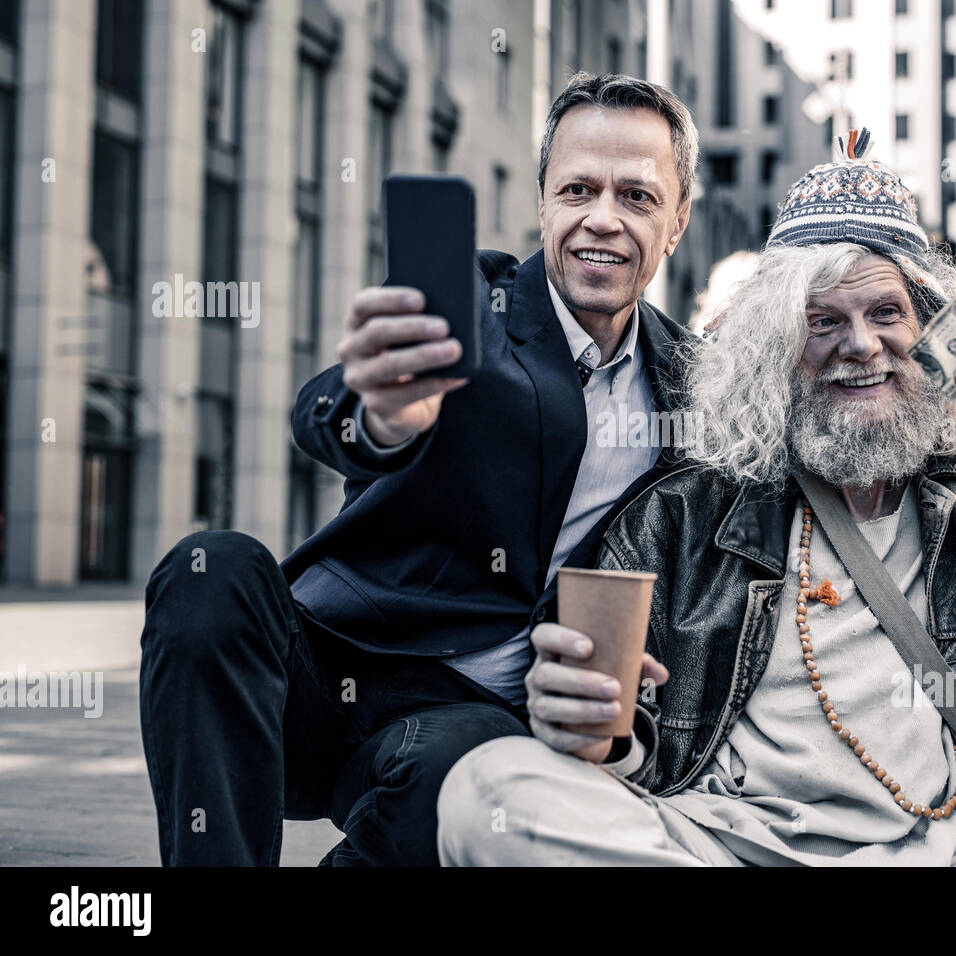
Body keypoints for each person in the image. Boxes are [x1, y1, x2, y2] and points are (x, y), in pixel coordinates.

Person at [438, 131, 956, 866]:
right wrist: (602, 734)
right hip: (734, 847)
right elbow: (630, 744)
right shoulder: (683, 513)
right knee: (490, 793)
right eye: (823, 321)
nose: (862, 347)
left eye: (886, 313)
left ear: (931, 332)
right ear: (775, 348)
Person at [138, 72, 696, 865]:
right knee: (210, 570)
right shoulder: (468, 303)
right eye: (577, 188)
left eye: (636, 197)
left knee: (465, 776)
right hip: (324, 667)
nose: (599, 218)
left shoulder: (696, 389)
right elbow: (323, 410)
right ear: (543, 202)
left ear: (677, 222)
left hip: (474, 718)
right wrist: (382, 416)